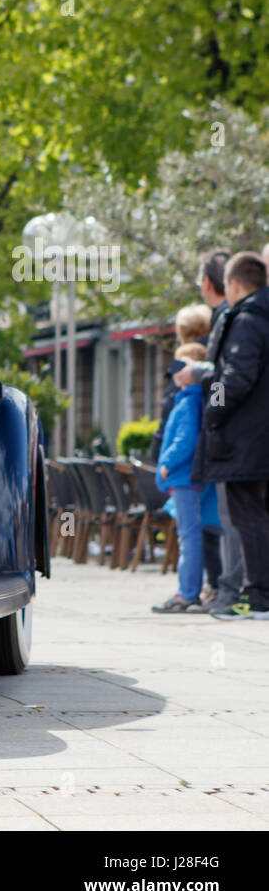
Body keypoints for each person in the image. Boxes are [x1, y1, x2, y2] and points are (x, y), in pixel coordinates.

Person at [182, 251, 269, 619]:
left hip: (244, 438)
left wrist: (213, 411)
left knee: (247, 517)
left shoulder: (247, 319)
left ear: (233, 285)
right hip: (258, 434)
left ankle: (258, 596)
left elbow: (234, 377)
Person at [151, 344, 219, 613]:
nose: (175, 371)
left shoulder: (190, 400)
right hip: (185, 477)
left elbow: (186, 439)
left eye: (182, 365)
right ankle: (190, 590)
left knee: (188, 536)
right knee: (192, 534)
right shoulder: (188, 398)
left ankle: (187, 593)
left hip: (184, 477)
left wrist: (167, 462)